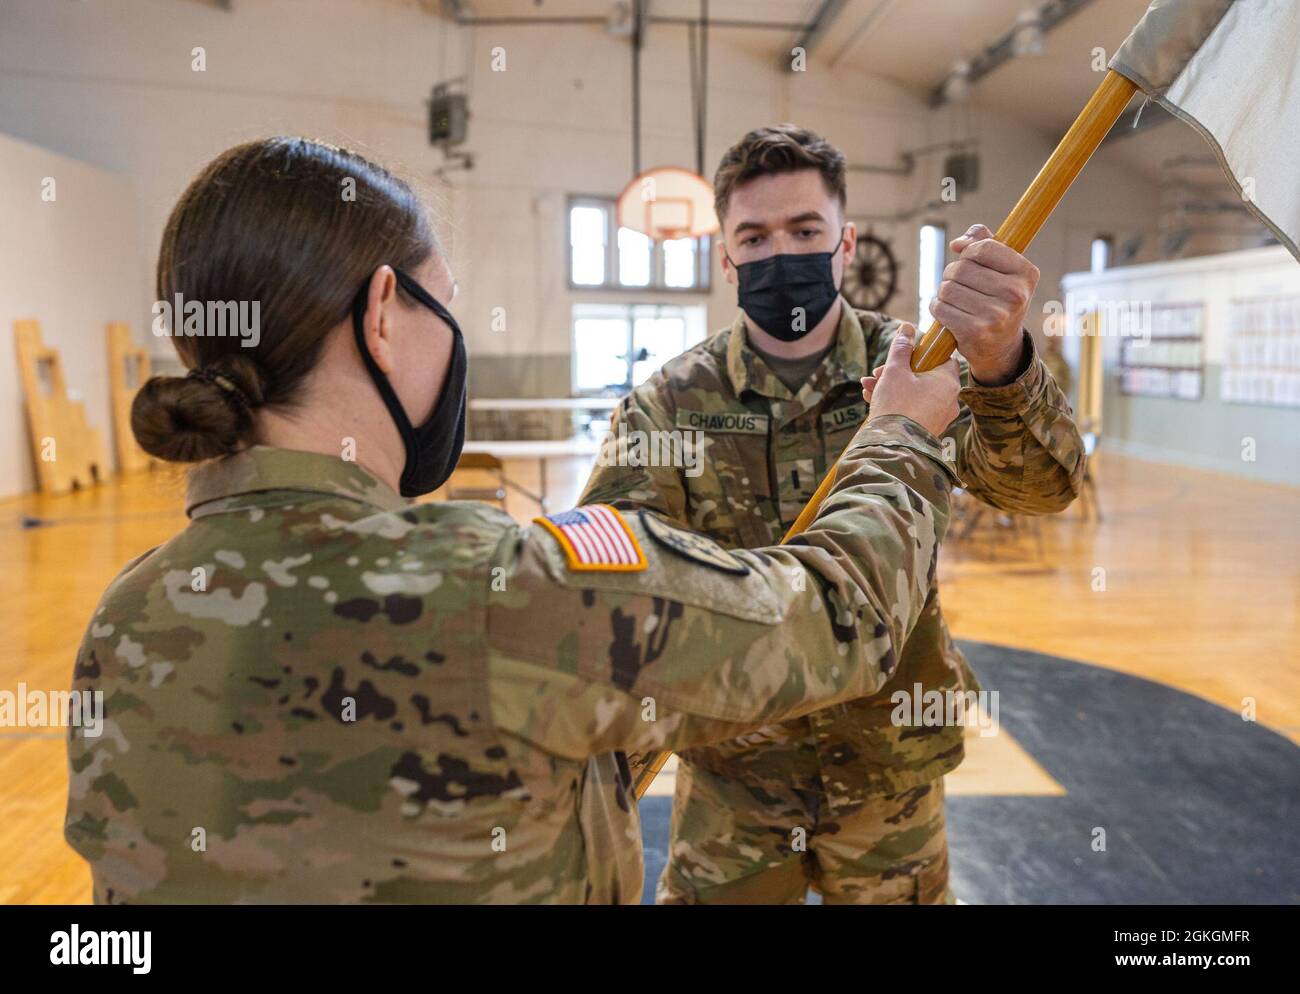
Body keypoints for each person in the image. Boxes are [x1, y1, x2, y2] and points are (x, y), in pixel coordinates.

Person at [63, 136, 963, 904]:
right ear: (384, 314)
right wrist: (899, 436)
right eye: (440, 303)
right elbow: (841, 618)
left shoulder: (127, 615)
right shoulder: (515, 589)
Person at [581, 124, 1086, 904]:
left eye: (805, 230)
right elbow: (612, 577)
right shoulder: (673, 401)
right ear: (726, 259)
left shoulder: (920, 370)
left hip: (890, 774)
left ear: (845, 244)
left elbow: (1042, 489)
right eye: (754, 235)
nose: (781, 252)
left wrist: (1002, 362)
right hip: (733, 779)